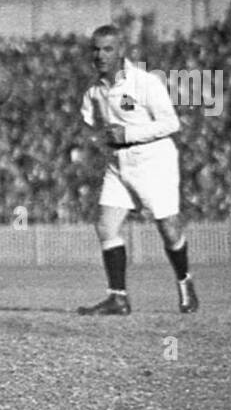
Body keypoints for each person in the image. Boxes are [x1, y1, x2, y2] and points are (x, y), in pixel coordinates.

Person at [76, 24, 198, 315]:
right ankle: (118, 297)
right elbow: (89, 126)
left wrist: (128, 135)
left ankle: (185, 282)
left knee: (168, 229)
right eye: (96, 49)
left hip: (154, 161)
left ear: (121, 51)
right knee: (106, 226)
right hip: (119, 164)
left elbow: (171, 123)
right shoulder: (94, 91)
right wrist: (96, 139)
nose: (100, 55)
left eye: (107, 49)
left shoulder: (145, 83)